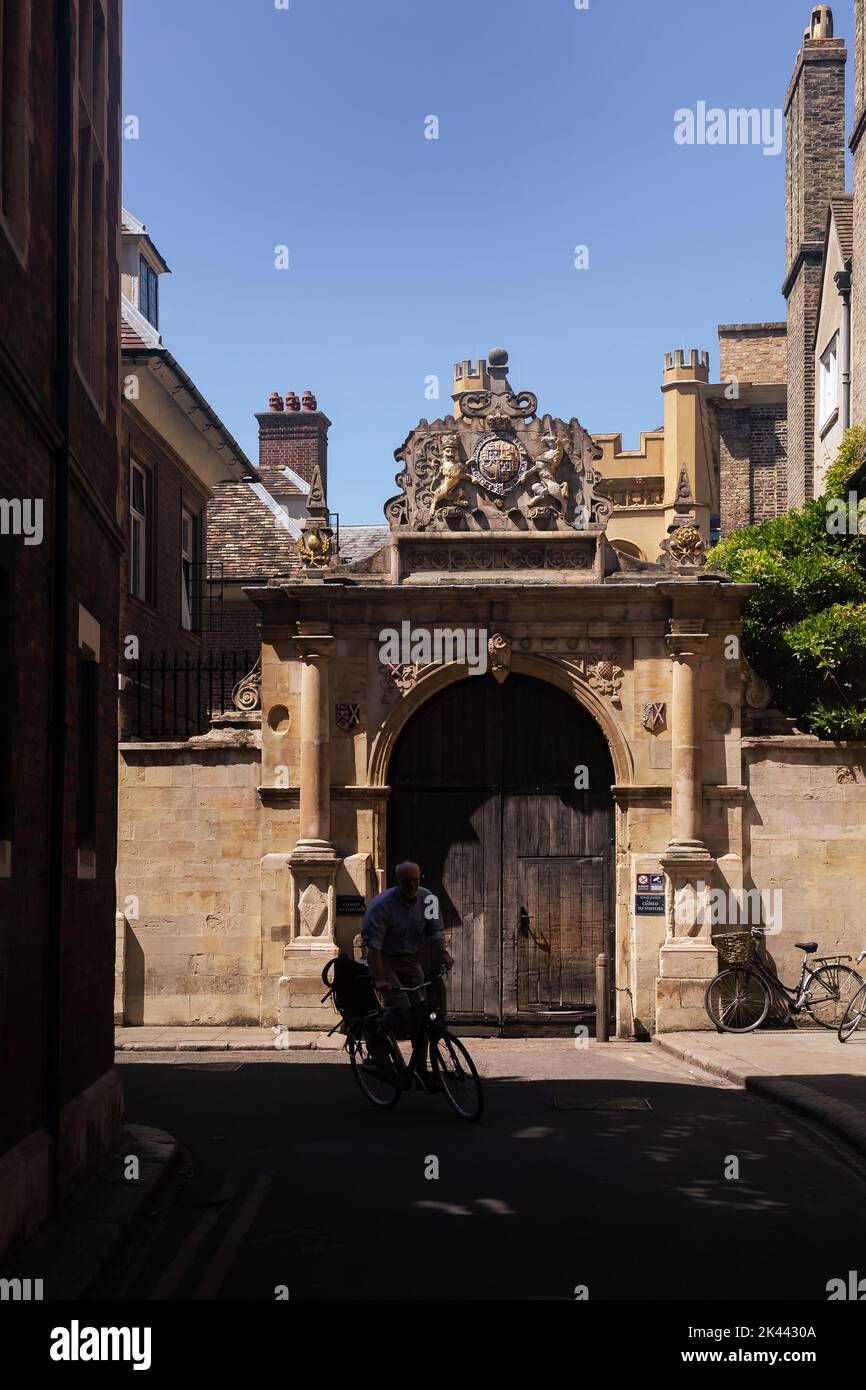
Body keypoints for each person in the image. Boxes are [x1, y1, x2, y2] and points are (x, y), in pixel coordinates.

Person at [361, 862, 453, 1073]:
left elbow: (435, 930)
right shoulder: (382, 905)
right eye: (407, 881)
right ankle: (377, 1033)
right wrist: (381, 978)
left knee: (420, 1014)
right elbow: (373, 945)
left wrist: (444, 954)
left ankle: (420, 1069)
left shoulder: (427, 899)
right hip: (384, 959)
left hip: (410, 959)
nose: (412, 885)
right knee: (401, 1006)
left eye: (415, 880)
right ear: (397, 882)